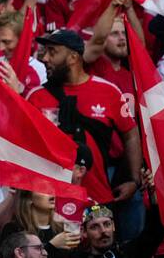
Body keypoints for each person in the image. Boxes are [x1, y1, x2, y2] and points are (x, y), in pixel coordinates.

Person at [26, 29, 141, 209]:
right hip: (50, 204)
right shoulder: (35, 97)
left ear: (73, 57)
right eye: (45, 51)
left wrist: (134, 180)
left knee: (104, 236)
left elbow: (131, 134)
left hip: (99, 201)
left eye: (52, 52)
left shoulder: (109, 91)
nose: (45, 58)